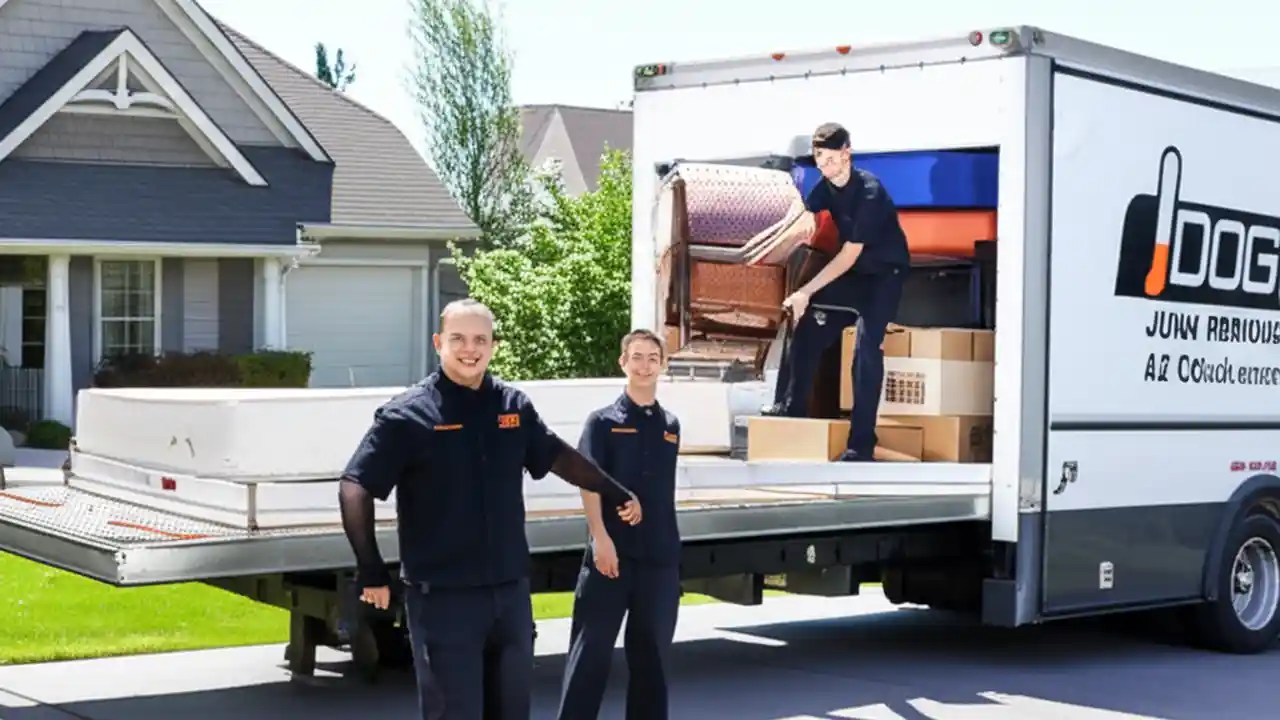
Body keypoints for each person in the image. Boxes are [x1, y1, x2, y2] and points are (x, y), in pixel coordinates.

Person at [337, 298, 643, 720]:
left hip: (508, 594)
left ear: (494, 345)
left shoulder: (512, 406)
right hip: (443, 599)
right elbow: (355, 486)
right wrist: (370, 569)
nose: (470, 349)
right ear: (438, 343)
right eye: (458, 339)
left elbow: (556, 455)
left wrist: (614, 491)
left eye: (480, 340)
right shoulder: (407, 415)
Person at [556, 329, 682, 720]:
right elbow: (587, 481)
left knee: (653, 662)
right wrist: (600, 539)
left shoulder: (671, 425)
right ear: (623, 363)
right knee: (590, 657)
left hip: (658, 559)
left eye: (652, 358)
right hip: (611, 558)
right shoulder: (602, 422)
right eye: (636, 357)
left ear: (663, 365)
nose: (645, 365)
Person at [766, 122, 910, 462]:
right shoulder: (824, 187)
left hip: (884, 277)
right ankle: (791, 415)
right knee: (806, 326)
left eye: (831, 158)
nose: (825, 165)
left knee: (866, 349)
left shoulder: (870, 192)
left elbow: (847, 255)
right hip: (856, 276)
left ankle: (861, 444)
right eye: (819, 158)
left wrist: (805, 291)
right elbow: (800, 220)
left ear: (847, 154)